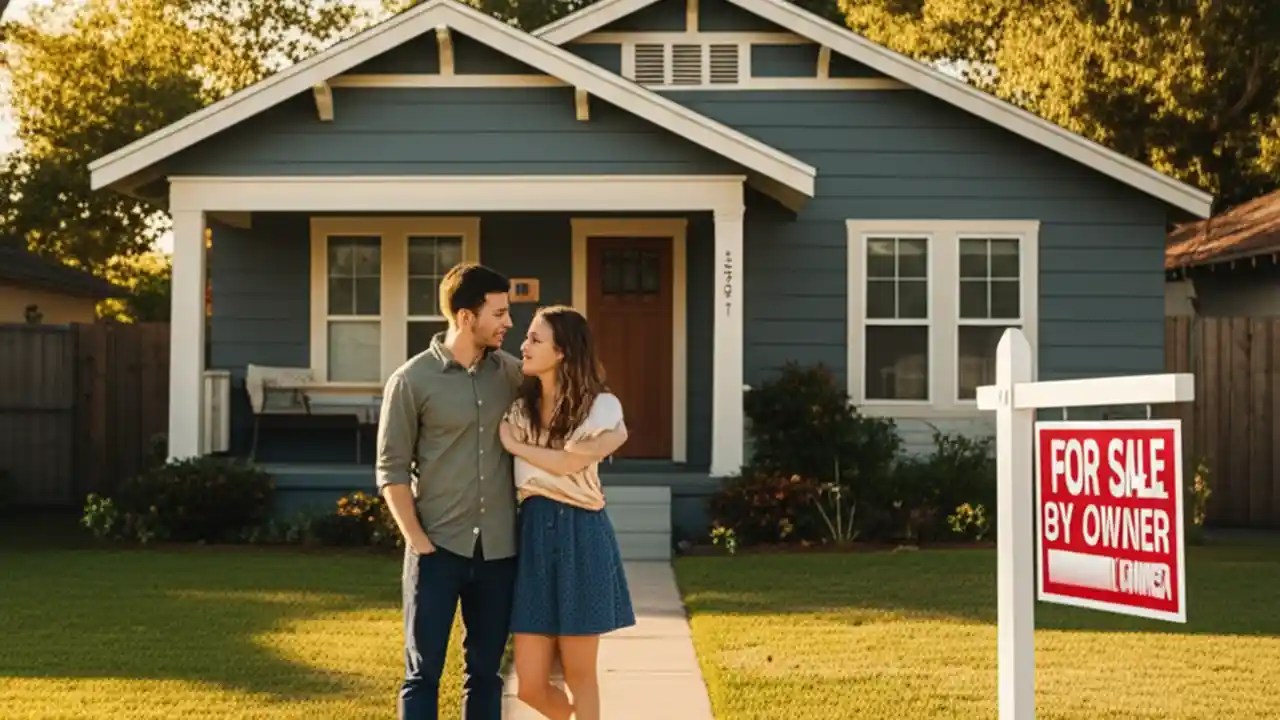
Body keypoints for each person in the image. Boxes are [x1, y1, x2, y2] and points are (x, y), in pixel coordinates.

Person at [376, 262, 523, 720]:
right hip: (437, 549)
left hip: (499, 551)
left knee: (485, 675)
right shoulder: (411, 380)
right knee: (423, 675)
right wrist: (420, 544)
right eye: (498, 313)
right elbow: (391, 469)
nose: (508, 323)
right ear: (465, 316)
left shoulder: (515, 376)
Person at [499, 305, 637, 720]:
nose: (523, 346)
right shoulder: (520, 410)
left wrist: (518, 447)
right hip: (535, 536)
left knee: (580, 674)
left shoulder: (601, 407)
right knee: (531, 686)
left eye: (535, 340)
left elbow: (568, 463)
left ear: (562, 352)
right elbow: (559, 459)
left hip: (582, 533)